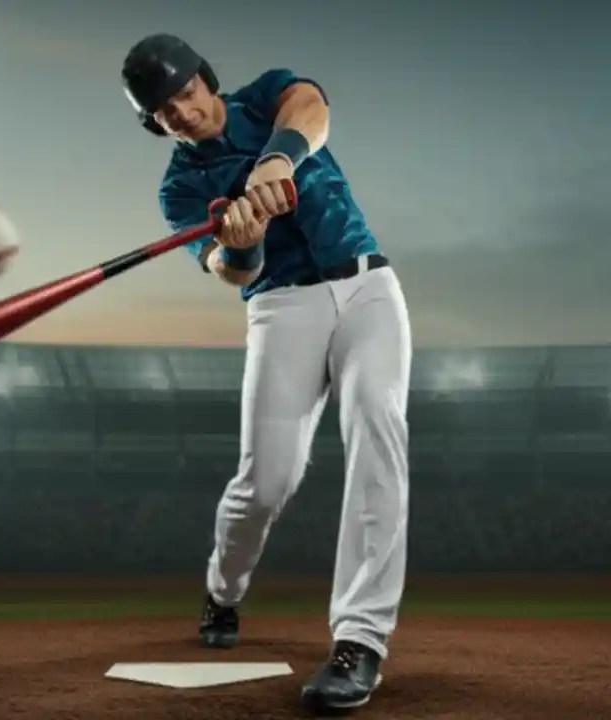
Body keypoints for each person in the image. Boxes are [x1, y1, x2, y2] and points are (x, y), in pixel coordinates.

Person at [121, 34, 413, 712]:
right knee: (268, 481)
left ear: (206, 78)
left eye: (187, 92)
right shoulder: (180, 187)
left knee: (377, 424)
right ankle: (222, 591)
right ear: (154, 122)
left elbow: (311, 106)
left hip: (367, 286)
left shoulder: (265, 96)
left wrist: (275, 159)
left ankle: (360, 640)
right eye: (165, 110)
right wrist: (242, 243)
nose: (184, 111)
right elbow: (228, 272)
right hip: (281, 307)